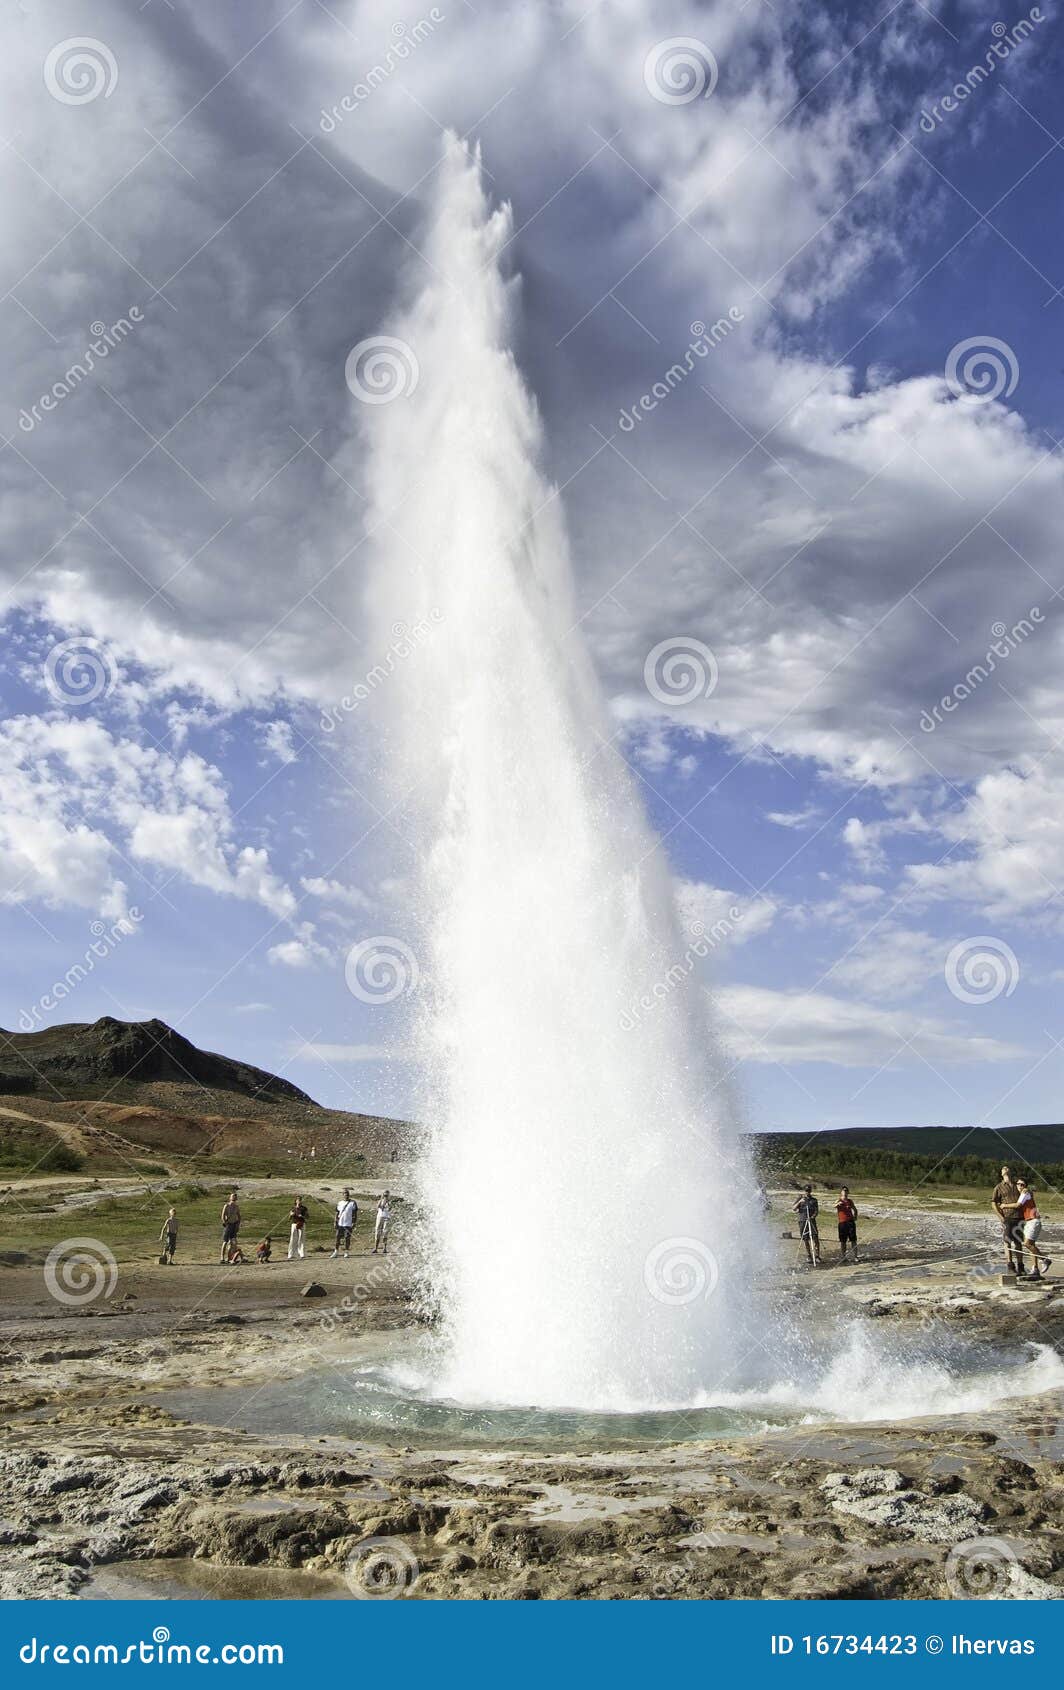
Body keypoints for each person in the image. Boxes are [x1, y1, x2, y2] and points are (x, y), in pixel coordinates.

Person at [991, 1165, 1024, 1275]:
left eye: (1007, 1168)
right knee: (1007, 1241)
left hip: (1019, 1217)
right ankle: (1010, 1266)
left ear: (1011, 1172)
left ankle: (1021, 1266)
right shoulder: (998, 1187)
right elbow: (993, 1202)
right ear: (1001, 1174)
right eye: (1003, 1168)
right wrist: (1000, 1217)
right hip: (1007, 1218)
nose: (1005, 1168)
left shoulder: (1017, 1185)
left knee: (1018, 1242)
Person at [1015, 1182, 1052, 1280]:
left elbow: (1018, 1205)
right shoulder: (1026, 1193)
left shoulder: (1025, 1192)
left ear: (1025, 1186)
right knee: (1032, 1246)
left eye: (1022, 1184)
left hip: (1032, 1221)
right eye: (1018, 1184)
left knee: (1027, 1244)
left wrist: (1003, 1206)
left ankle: (1045, 1260)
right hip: (1030, 1221)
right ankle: (1035, 1269)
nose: (1019, 1186)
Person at [793, 1185, 820, 1266]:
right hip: (802, 1221)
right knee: (805, 1238)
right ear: (804, 1191)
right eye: (806, 1190)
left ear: (810, 1191)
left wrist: (812, 1217)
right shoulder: (800, 1198)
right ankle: (809, 1255)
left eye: (808, 1190)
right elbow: (793, 1208)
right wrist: (799, 1202)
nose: (807, 1192)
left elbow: (816, 1211)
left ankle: (817, 1256)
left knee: (815, 1237)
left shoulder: (814, 1200)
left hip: (811, 1221)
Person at [331, 1190, 357, 1258]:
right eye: (345, 1194)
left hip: (348, 1223)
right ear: (343, 1195)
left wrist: (354, 1222)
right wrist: (335, 1222)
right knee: (337, 1237)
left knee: (347, 1238)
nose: (346, 1195)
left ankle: (346, 1252)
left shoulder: (353, 1203)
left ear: (349, 1195)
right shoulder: (340, 1203)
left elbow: (354, 1213)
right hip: (340, 1223)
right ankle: (336, 1251)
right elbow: (337, 1213)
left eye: (347, 1194)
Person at [836, 1187, 859, 1263]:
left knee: (853, 1240)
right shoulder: (839, 1200)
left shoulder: (850, 1201)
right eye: (844, 1191)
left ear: (848, 1192)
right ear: (841, 1193)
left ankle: (855, 1256)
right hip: (842, 1223)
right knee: (843, 1241)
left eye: (846, 1191)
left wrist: (855, 1217)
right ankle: (843, 1257)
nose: (845, 1192)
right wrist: (838, 1204)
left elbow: (855, 1209)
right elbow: (834, 1205)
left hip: (850, 1222)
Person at [220, 1191, 241, 1265]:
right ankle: (222, 1258)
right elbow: (222, 1216)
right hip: (228, 1224)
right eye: (233, 1196)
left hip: (234, 1225)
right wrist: (225, 1223)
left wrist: (238, 1225)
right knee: (225, 1242)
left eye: (235, 1196)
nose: (234, 1197)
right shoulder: (226, 1206)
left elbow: (239, 1216)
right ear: (230, 1198)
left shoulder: (236, 1207)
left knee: (232, 1242)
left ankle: (229, 1258)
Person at [287, 1195, 308, 1260]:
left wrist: (302, 1216)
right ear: (296, 1201)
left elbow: (307, 1217)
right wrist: (291, 1215)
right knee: (293, 1239)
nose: (299, 1201)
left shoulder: (304, 1208)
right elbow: (289, 1218)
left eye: (300, 1200)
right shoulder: (293, 1208)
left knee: (301, 1239)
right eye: (298, 1200)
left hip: (301, 1224)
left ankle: (302, 1254)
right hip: (294, 1224)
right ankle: (291, 1254)